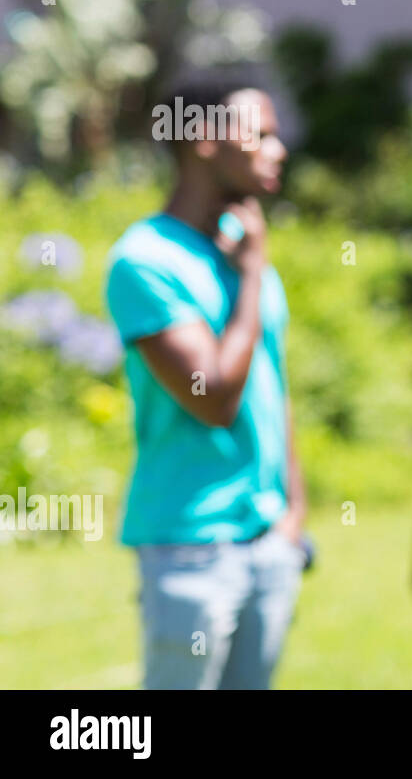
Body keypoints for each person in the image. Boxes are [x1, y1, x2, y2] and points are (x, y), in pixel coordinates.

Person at [105, 81, 307, 689]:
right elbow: (214, 396)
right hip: (191, 545)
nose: (278, 150)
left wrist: (292, 516)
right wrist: (249, 278)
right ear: (203, 140)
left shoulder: (243, 253)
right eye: (261, 134)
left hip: (267, 540)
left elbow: (273, 385)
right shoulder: (145, 261)